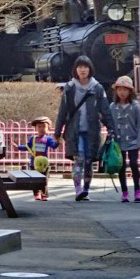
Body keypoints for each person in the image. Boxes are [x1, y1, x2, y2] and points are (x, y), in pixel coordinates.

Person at [55, 55, 116, 201]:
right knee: (79, 159)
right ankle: (78, 190)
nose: (83, 70)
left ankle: (86, 190)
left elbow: (105, 109)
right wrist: (58, 131)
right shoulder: (70, 88)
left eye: (85, 67)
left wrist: (111, 128)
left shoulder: (97, 88)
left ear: (90, 69)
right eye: (80, 67)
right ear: (75, 69)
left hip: (92, 130)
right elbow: (63, 111)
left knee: (89, 161)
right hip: (74, 131)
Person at [110, 75, 140, 203]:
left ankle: (137, 190)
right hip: (119, 141)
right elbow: (111, 123)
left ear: (130, 91)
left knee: (134, 165)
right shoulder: (113, 107)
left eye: (125, 89)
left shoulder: (135, 106)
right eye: (119, 89)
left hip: (133, 141)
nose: (122, 92)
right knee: (121, 166)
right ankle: (124, 192)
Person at [16, 116, 58, 200]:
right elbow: (27, 147)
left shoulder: (48, 139)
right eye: (39, 127)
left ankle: (44, 194)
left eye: (44, 127)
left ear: (48, 128)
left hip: (44, 163)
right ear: (36, 128)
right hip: (34, 162)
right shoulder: (33, 138)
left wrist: (58, 141)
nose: (41, 129)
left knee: (44, 179)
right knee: (34, 179)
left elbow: (54, 146)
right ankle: (36, 193)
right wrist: (18, 147)